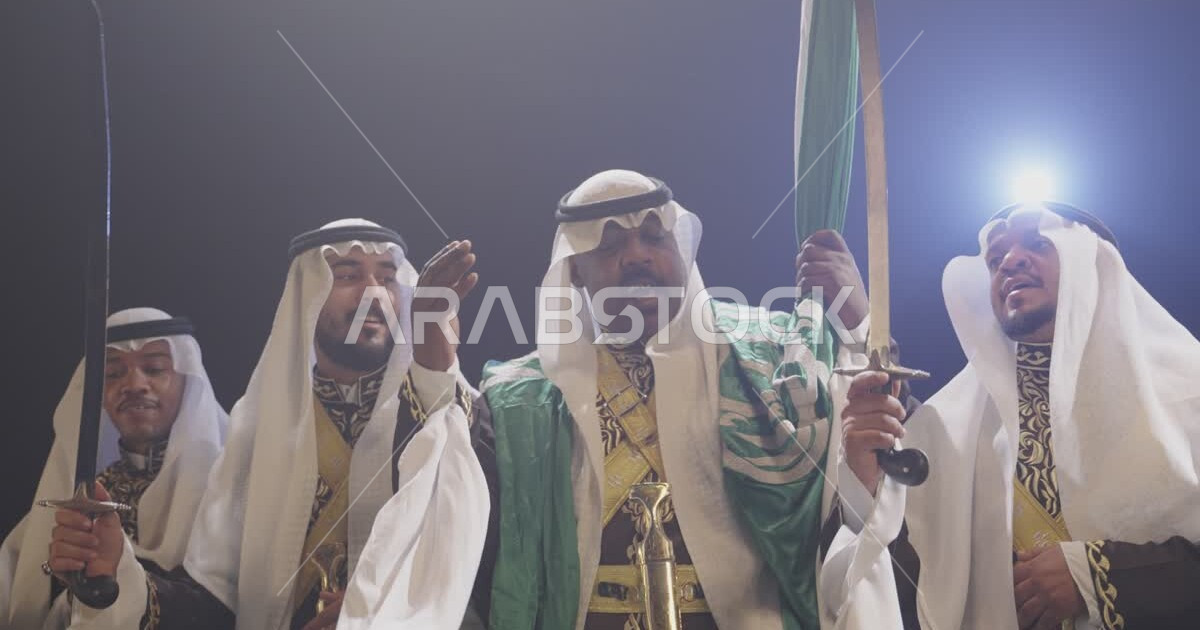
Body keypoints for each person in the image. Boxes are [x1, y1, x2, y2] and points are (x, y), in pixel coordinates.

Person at [462, 169, 871, 629]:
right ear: (575, 268)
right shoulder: (520, 396)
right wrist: (431, 372)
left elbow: (863, 434)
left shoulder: (767, 355)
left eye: (655, 239)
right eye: (611, 246)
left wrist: (857, 327)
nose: (637, 256)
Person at [49, 220, 489, 630]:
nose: (373, 292)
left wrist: (372, 610)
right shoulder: (258, 423)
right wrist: (121, 578)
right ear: (309, 293)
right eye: (349, 275)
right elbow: (215, 599)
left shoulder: (449, 409)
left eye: (387, 277)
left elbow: (469, 528)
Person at [827, 202, 1200, 629]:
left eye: (1038, 243)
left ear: (1090, 265)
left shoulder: (1189, 391)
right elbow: (900, 585)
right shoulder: (945, 431)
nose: (1010, 261)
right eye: (995, 256)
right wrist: (864, 483)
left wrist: (1098, 574)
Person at [2, 308, 228, 630]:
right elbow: (24, 596)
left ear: (188, 382)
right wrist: (68, 582)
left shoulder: (230, 484)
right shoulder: (82, 500)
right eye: (112, 374)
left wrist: (118, 575)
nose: (134, 384)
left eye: (154, 368)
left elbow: (236, 605)